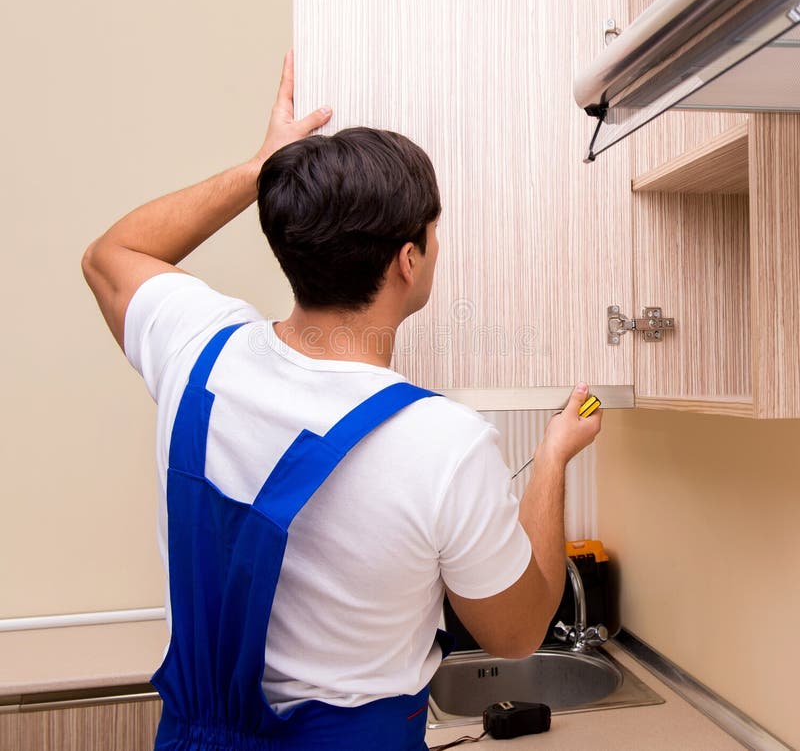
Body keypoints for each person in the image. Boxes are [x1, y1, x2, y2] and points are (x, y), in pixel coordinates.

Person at [82, 52, 601, 751]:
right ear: (408, 261)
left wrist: (261, 168)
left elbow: (110, 254)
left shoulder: (196, 348)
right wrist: (552, 459)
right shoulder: (440, 441)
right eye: (433, 229)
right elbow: (515, 633)